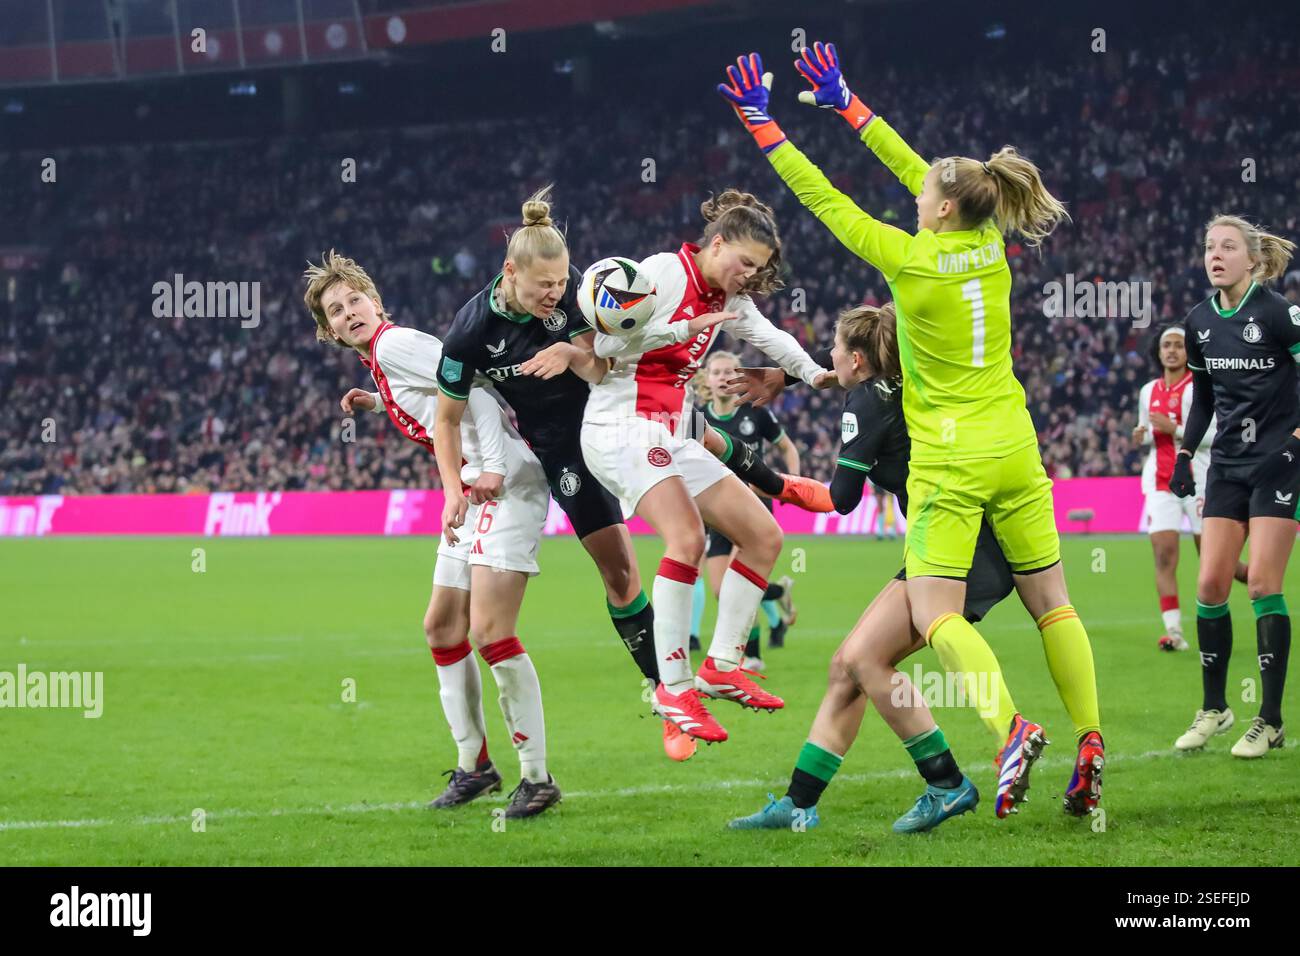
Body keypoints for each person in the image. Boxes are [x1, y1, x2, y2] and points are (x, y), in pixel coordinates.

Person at [719, 45, 1102, 816]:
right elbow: (920, 169)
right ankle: (1090, 738)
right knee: (1054, 603)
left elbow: (824, 200)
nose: (916, 189)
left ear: (942, 208)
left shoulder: (912, 263)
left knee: (935, 614)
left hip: (953, 458)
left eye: (926, 189)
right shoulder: (989, 244)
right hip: (1018, 445)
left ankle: (1009, 730)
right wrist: (849, 105)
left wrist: (765, 127)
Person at [727, 303, 1053, 833]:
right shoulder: (907, 380)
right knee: (846, 667)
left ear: (857, 358)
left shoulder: (865, 401)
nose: (827, 357)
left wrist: (752, 469)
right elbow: (847, 377)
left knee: (863, 660)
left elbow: (843, 498)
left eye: (834, 347)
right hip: (971, 541)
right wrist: (793, 375)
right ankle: (799, 801)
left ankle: (946, 783)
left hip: (958, 553)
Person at [304, 250, 558, 818]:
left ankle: (537, 780)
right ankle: (476, 767)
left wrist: (490, 466)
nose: (349, 313)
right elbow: (437, 398)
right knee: (443, 628)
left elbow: (478, 396)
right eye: (337, 310)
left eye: (354, 300)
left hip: (503, 484)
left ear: (375, 300)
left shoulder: (394, 344)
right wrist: (378, 404)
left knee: (491, 632)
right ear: (329, 331)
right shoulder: (381, 362)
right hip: (473, 488)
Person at [580, 189, 836, 744]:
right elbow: (604, 343)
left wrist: (816, 375)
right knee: (687, 536)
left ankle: (722, 664)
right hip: (620, 425)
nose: (748, 276)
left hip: (672, 431)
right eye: (744, 262)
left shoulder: (731, 301)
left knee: (764, 536)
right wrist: (678, 331)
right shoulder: (661, 274)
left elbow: (773, 339)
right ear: (716, 244)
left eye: (759, 269)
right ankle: (673, 685)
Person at [1170, 215, 1298, 758]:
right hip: (1226, 465)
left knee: (1264, 585)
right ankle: (1215, 709)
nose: (1215, 255)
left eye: (1227, 247)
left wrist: (1292, 446)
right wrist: (1182, 453)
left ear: (1251, 259)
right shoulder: (1199, 321)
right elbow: (1203, 399)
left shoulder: (1279, 313)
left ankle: (1269, 719)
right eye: (1208, 247)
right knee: (1209, 588)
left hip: (1280, 464)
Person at [1133, 325, 1246, 651]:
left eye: (1178, 346)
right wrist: (1140, 433)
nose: (1171, 351)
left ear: (1188, 352)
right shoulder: (1147, 390)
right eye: (1166, 345)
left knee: (1216, 561)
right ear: (1158, 352)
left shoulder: (1199, 388)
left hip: (1198, 481)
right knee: (1164, 556)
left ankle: (1262, 585)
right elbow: (1147, 427)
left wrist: (1176, 429)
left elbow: (1215, 437)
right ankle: (1174, 633)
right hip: (1159, 483)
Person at [700, 350, 800, 666]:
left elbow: (787, 447)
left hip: (753, 506)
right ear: (707, 378)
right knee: (720, 591)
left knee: (736, 584)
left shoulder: (755, 412)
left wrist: (791, 483)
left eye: (730, 371)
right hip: (715, 512)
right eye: (716, 372)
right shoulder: (697, 418)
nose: (723, 377)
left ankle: (751, 657)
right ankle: (778, 593)